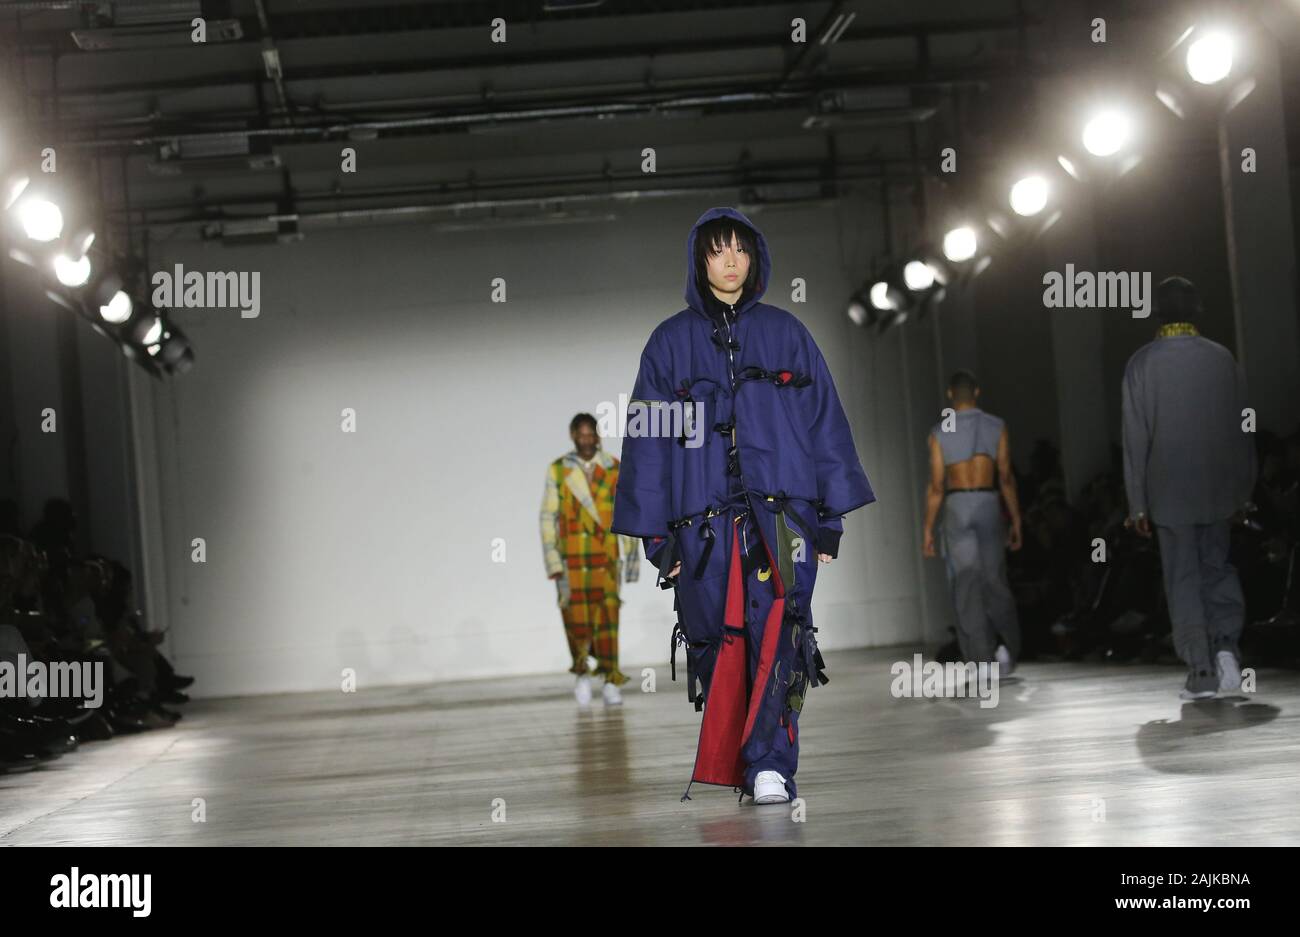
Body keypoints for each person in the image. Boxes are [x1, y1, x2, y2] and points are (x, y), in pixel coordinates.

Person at [612, 207, 875, 804]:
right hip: (701, 524)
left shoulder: (788, 335)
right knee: (714, 637)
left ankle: (771, 765)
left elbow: (824, 426)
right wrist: (657, 542)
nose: (731, 262)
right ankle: (744, 754)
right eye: (718, 251)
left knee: (782, 632)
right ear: (699, 261)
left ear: (754, 259)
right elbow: (647, 444)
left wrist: (827, 522)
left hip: (783, 518)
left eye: (741, 250)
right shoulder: (668, 345)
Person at [1121, 276, 1256, 700]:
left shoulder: (1141, 364)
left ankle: (1200, 671)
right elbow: (1243, 425)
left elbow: (1134, 439)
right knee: (1216, 566)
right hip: (1218, 482)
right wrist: (1243, 489)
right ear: (1195, 312)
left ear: (1159, 314)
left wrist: (1137, 503)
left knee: (1182, 577)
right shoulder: (1222, 359)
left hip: (1168, 487)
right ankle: (1228, 650)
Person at [922, 370, 1022, 674]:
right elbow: (1005, 476)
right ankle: (1009, 646)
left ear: (951, 394)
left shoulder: (940, 432)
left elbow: (937, 485)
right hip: (990, 502)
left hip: (957, 505)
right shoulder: (996, 426)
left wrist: (927, 529)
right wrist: (1016, 519)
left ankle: (980, 660)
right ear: (976, 392)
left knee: (966, 582)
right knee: (994, 579)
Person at [540, 413, 640, 705]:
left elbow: (627, 514)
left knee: (609, 617)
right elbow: (548, 517)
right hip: (573, 559)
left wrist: (631, 557)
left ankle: (610, 678)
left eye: (591, 434)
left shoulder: (613, 468)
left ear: (598, 435)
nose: (587, 440)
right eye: (581, 434)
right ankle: (582, 675)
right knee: (577, 620)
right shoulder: (558, 471)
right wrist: (553, 562)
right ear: (573, 435)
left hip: (607, 558)